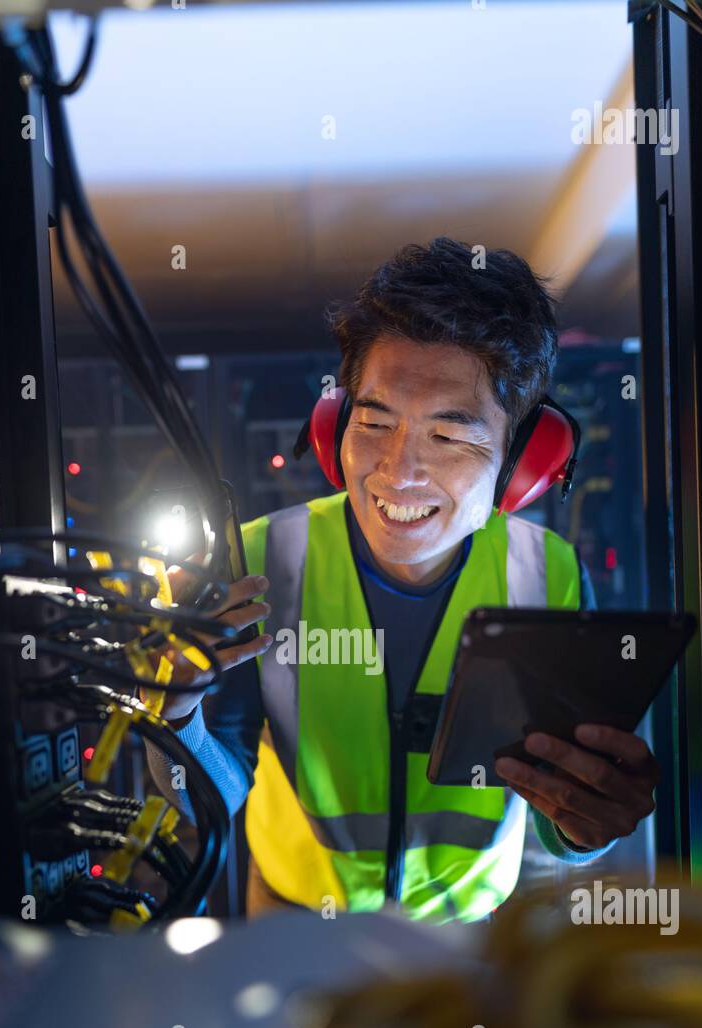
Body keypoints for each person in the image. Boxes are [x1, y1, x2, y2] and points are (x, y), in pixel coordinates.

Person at [146, 238, 659, 923]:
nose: (397, 471)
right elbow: (210, 791)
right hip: (295, 919)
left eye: (449, 437)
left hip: (465, 945)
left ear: (522, 463)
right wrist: (176, 712)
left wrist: (584, 826)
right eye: (375, 421)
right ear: (334, 428)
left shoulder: (547, 574)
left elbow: (559, 824)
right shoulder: (261, 560)